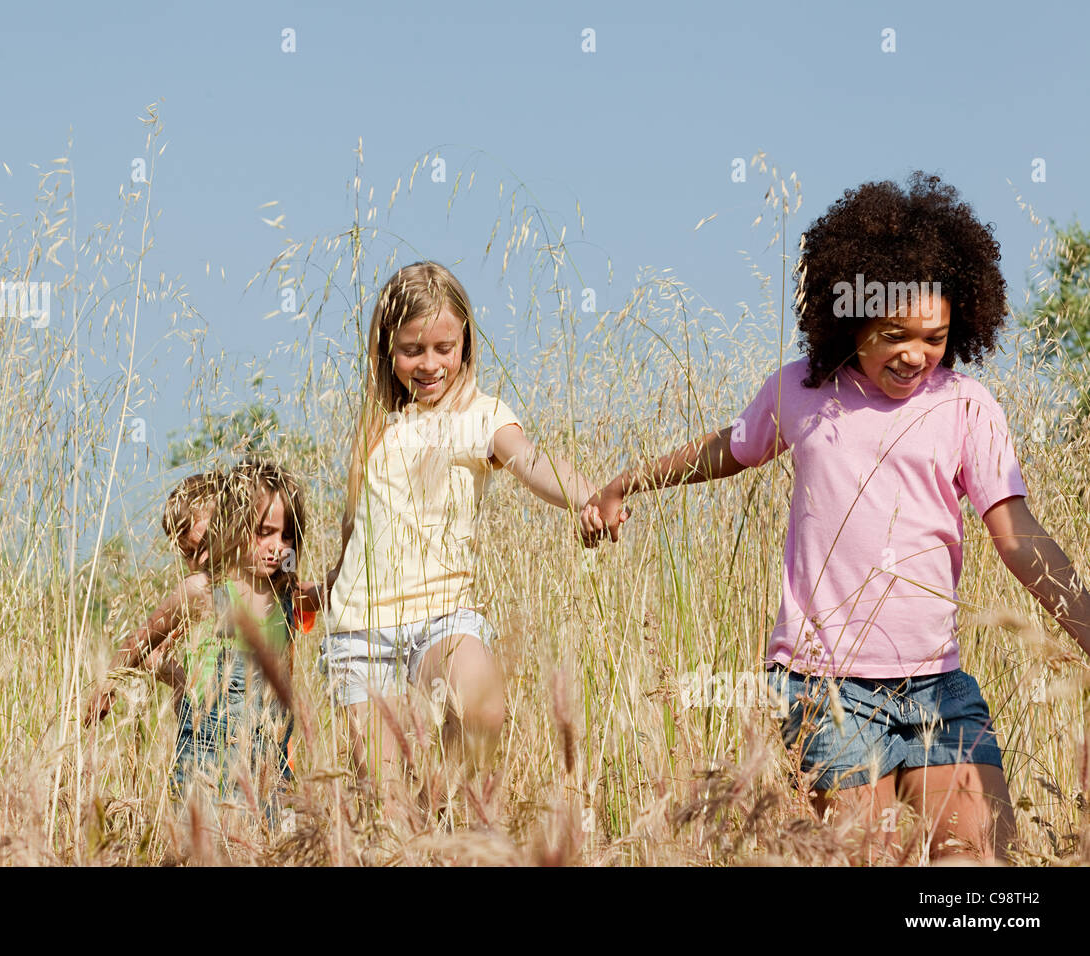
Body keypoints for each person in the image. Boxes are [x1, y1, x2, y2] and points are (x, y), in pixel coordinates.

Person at [590, 173, 1090, 861]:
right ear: (849, 317)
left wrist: (1085, 621)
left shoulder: (968, 406)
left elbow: (1018, 535)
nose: (916, 354)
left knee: (980, 864)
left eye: (936, 336)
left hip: (938, 687)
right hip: (824, 693)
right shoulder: (800, 391)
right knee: (866, 857)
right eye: (894, 334)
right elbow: (726, 450)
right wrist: (626, 482)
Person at [301, 261, 604, 791]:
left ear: (465, 340)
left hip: (443, 618)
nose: (429, 364)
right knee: (387, 800)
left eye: (444, 347)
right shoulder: (376, 424)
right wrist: (322, 589)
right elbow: (359, 531)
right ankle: (418, 827)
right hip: (361, 631)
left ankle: (444, 802)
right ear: (387, 349)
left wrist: (586, 498)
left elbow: (531, 461)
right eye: (411, 350)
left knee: (482, 707)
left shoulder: (479, 416)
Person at [87, 461, 307, 821]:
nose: (202, 559)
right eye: (190, 552)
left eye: (285, 537)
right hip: (208, 759)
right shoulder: (202, 592)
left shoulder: (286, 592)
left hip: (270, 761)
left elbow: (327, 587)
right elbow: (141, 641)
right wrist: (111, 683)